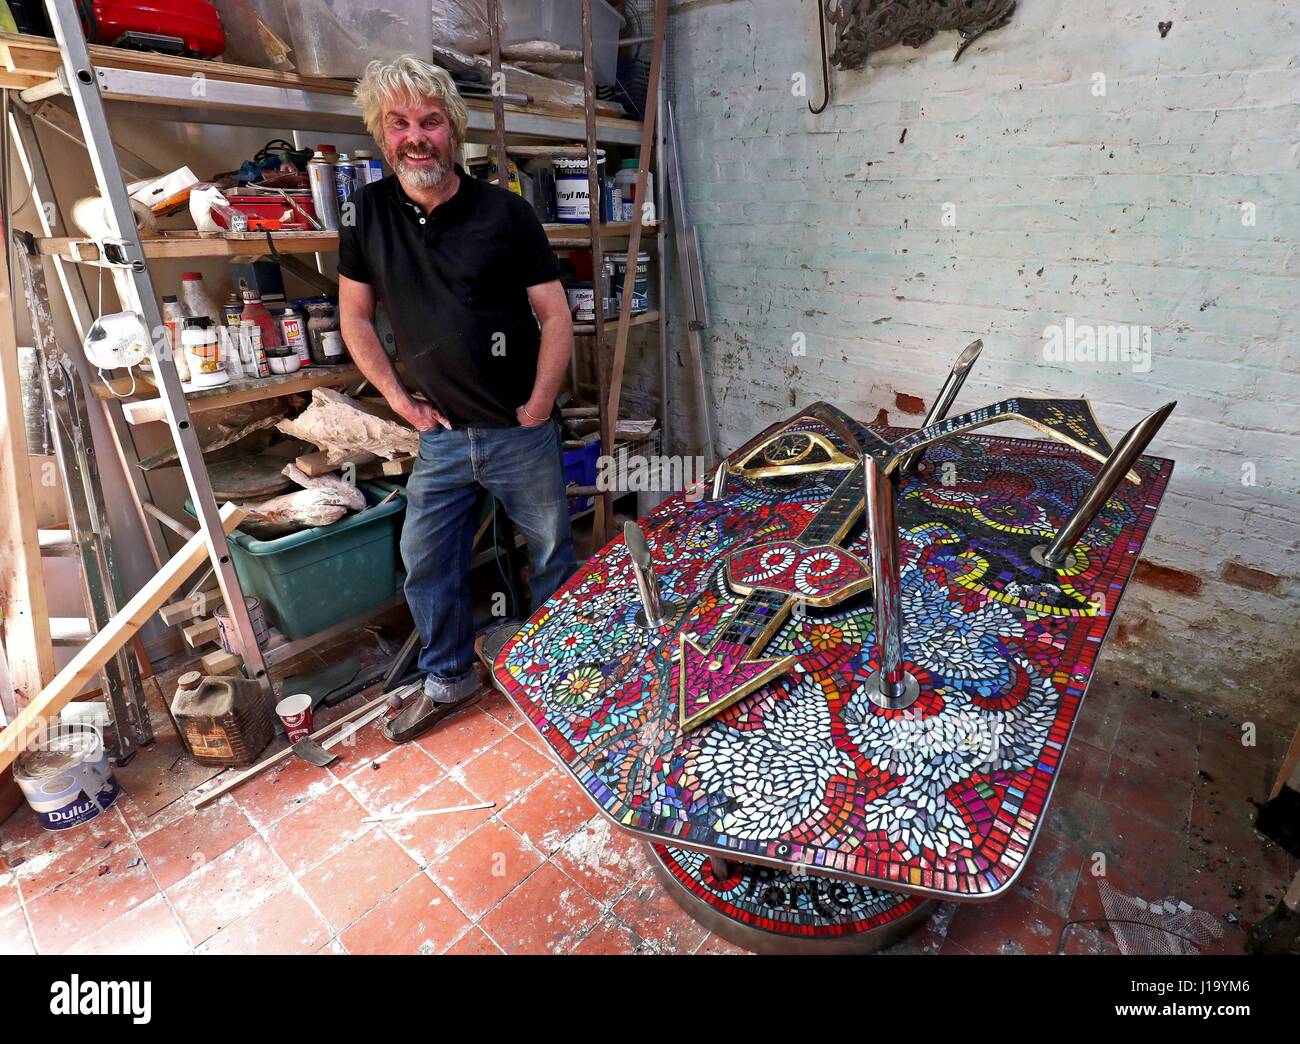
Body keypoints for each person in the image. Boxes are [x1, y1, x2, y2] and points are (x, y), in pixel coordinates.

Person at [339, 55, 577, 743]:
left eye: (431, 122)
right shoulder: (366, 215)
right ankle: (448, 678)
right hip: (440, 437)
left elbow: (556, 317)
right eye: (400, 123)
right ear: (383, 137)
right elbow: (354, 316)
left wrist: (536, 408)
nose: (416, 137)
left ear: (455, 131)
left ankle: (563, 676)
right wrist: (399, 402)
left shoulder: (506, 212)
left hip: (518, 431)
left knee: (553, 556)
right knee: (426, 561)